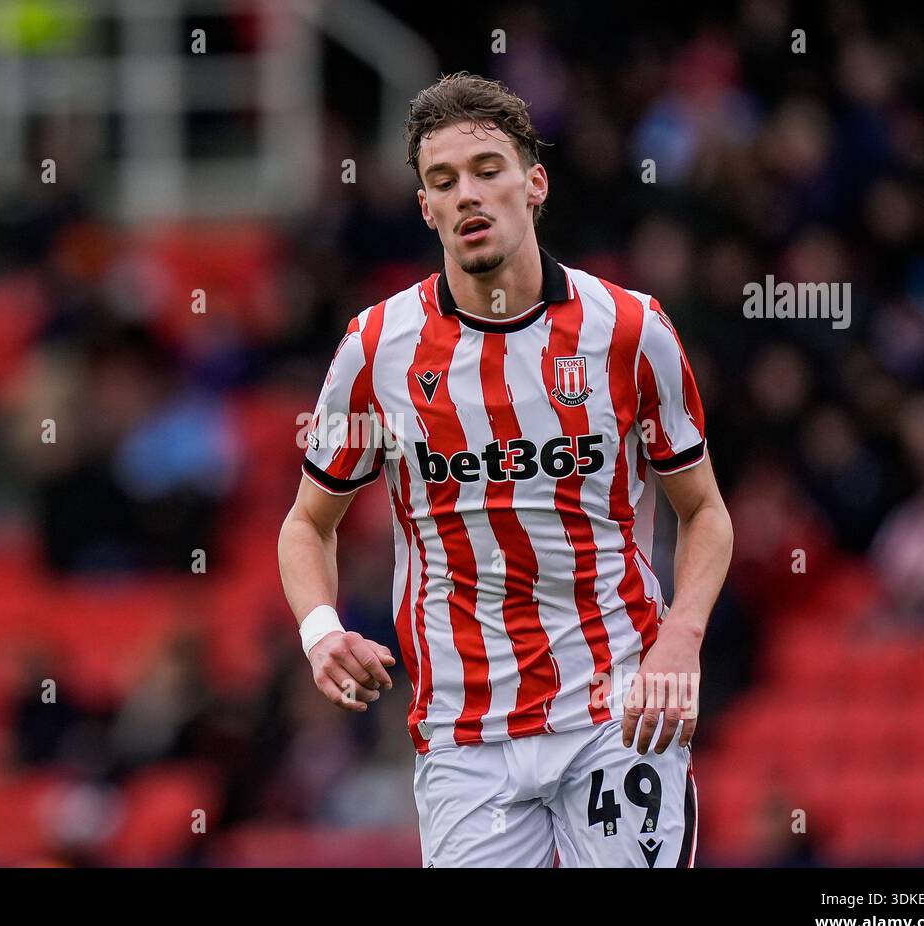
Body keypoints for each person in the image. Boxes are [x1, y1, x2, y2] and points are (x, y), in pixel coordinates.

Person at [277, 72, 734, 867]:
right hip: (464, 734)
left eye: (488, 169)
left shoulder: (630, 330)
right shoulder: (377, 347)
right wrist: (321, 632)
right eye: (443, 181)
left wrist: (681, 639)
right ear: (426, 208)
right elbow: (306, 523)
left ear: (534, 183)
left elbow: (705, 511)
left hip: (617, 711)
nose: (467, 195)